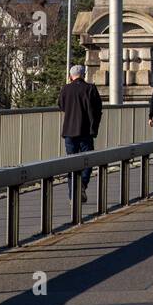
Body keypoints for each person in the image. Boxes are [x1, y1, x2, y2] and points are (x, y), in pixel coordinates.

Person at [59, 64, 102, 203]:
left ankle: (73, 196)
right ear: (83, 75)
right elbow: (98, 110)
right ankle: (82, 184)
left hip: (69, 132)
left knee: (71, 163)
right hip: (85, 132)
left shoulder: (66, 89)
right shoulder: (90, 89)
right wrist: (94, 128)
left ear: (71, 76)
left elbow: (61, 106)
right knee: (87, 162)